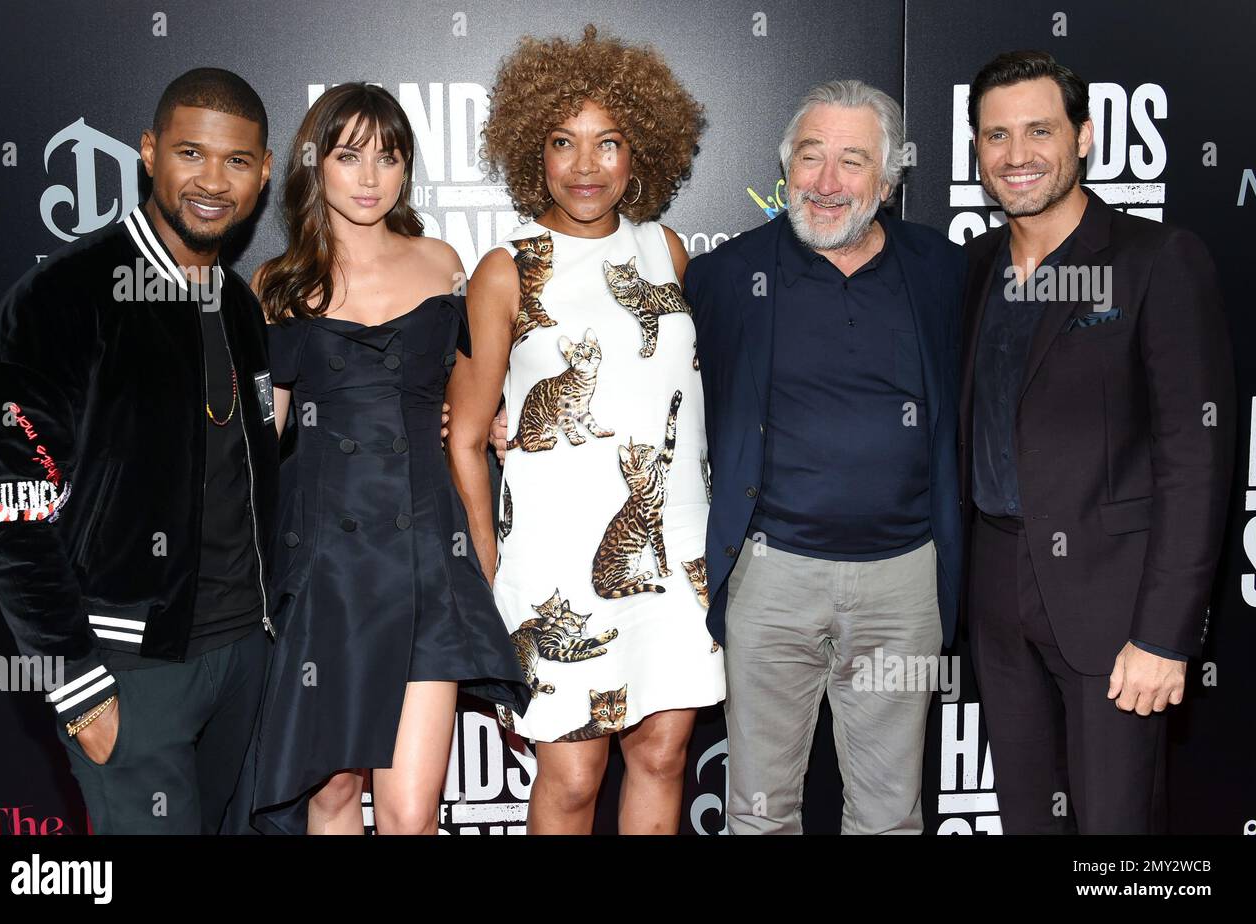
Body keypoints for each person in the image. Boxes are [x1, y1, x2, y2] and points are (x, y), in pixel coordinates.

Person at [0, 68, 276, 833]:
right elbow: (2, 508)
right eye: (190, 154)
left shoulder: (237, 301)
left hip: (246, 657)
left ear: (265, 172)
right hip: (129, 672)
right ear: (147, 153)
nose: (213, 181)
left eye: (236, 161)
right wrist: (75, 683)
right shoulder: (63, 298)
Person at [450, 26, 723, 835]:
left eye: (608, 143)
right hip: (551, 565)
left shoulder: (666, 251)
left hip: (677, 555)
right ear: (534, 151)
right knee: (571, 779)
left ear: (640, 154)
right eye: (563, 142)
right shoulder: (508, 267)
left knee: (664, 757)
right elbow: (467, 434)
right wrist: (494, 572)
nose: (585, 166)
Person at [958, 51, 1234, 833]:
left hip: (1116, 608)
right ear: (976, 150)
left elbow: (1198, 459)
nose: (1017, 156)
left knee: (1117, 833)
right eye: (996, 136)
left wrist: (1165, 635)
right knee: (1026, 820)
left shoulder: (1156, 260)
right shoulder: (977, 266)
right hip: (995, 589)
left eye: (1039, 131)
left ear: (1084, 137)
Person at [246, 83, 528, 835]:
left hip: (425, 557)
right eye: (349, 156)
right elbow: (258, 445)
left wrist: (502, 422)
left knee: (411, 812)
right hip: (326, 569)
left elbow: (476, 395)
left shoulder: (443, 264)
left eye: (388, 157)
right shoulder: (279, 285)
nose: (370, 176)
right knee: (332, 789)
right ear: (316, 167)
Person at [685, 81, 965, 834]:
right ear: (786, 168)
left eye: (852, 161)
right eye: (811, 158)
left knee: (887, 812)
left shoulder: (944, 272)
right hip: (770, 581)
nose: (828, 182)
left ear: (888, 179)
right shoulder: (722, 278)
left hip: (904, 586)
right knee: (760, 811)